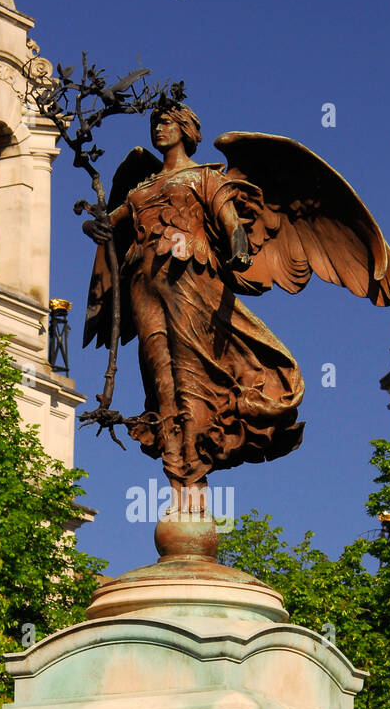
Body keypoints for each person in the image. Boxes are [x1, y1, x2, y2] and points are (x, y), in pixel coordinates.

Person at [83, 102, 305, 505]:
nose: (159, 129)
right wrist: (93, 221)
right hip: (143, 286)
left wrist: (239, 251)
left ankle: (196, 469)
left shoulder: (206, 179)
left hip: (191, 279)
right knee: (159, 377)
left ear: (186, 129)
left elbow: (232, 225)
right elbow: (106, 224)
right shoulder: (140, 190)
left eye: (167, 122)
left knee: (191, 373)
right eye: (155, 123)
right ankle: (176, 465)